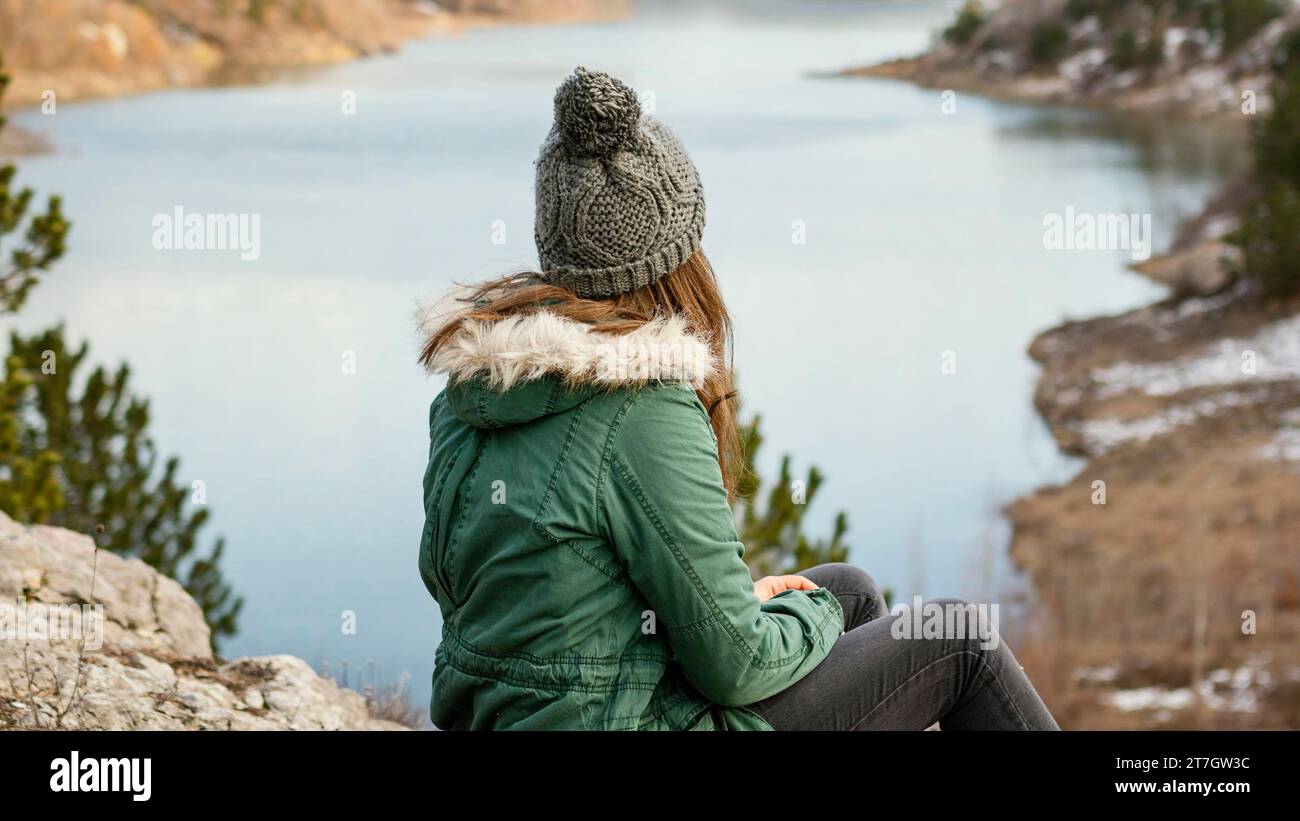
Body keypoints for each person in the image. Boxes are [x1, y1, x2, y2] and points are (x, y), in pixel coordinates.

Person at [416, 67, 1059, 731]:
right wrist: (800, 616)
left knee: (851, 590)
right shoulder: (641, 408)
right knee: (956, 638)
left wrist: (770, 607)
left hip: (521, 713)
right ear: (676, 255)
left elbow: (531, 605)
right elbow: (737, 665)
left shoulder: (476, 389)